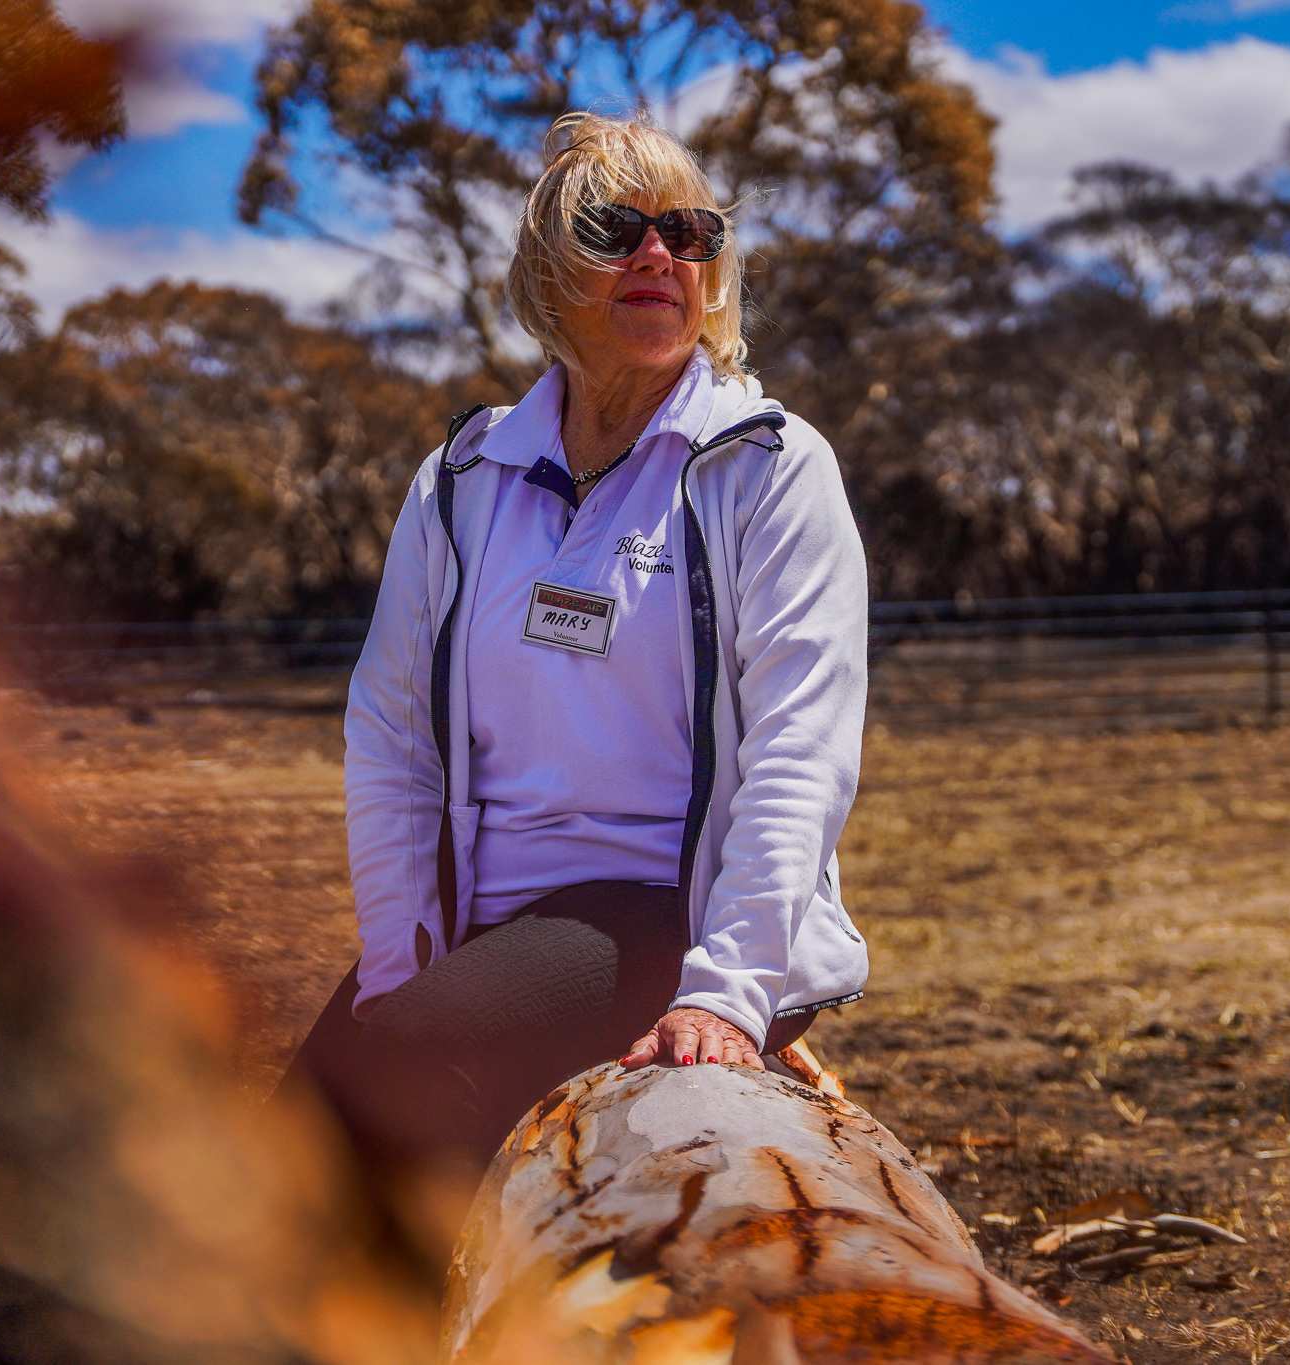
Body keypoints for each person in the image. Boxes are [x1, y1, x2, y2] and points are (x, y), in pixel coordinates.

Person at [279, 110, 870, 1212]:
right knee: (282, 1149)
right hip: (487, 929)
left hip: (666, 911)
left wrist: (730, 996)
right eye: (615, 228)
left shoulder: (765, 469)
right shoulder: (461, 478)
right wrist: (406, 967)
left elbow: (803, 745)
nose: (660, 255)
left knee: (369, 1126)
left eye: (690, 233)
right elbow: (394, 735)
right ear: (548, 268)